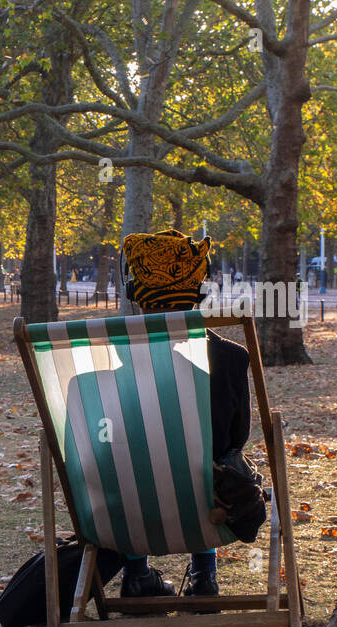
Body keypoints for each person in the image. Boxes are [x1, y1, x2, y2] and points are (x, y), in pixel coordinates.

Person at [116, 227, 257, 600]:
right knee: (214, 462)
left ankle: (135, 574)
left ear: (136, 295)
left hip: (119, 511)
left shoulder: (103, 359)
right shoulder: (231, 359)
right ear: (197, 293)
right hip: (212, 510)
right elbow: (236, 438)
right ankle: (205, 576)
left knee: (134, 464)